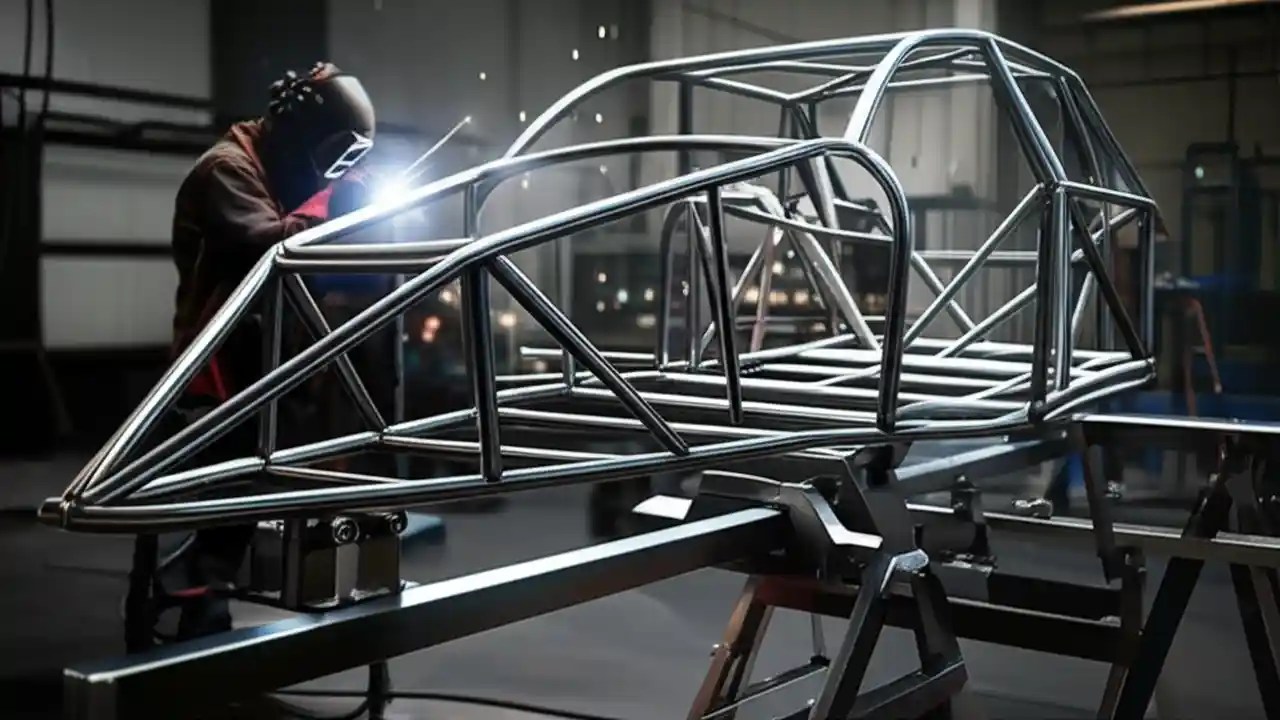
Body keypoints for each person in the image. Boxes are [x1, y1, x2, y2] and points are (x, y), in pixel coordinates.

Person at [129, 62, 377, 646]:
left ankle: (204, 610)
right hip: (212, 366)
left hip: (262, 358)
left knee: (247, 494)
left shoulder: (276, 167)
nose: (331, 172)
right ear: (301, 134)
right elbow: (271, 251)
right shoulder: (227, 170)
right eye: (331, 157)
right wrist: (332, 204)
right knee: (211, 496)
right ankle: (177, 613)